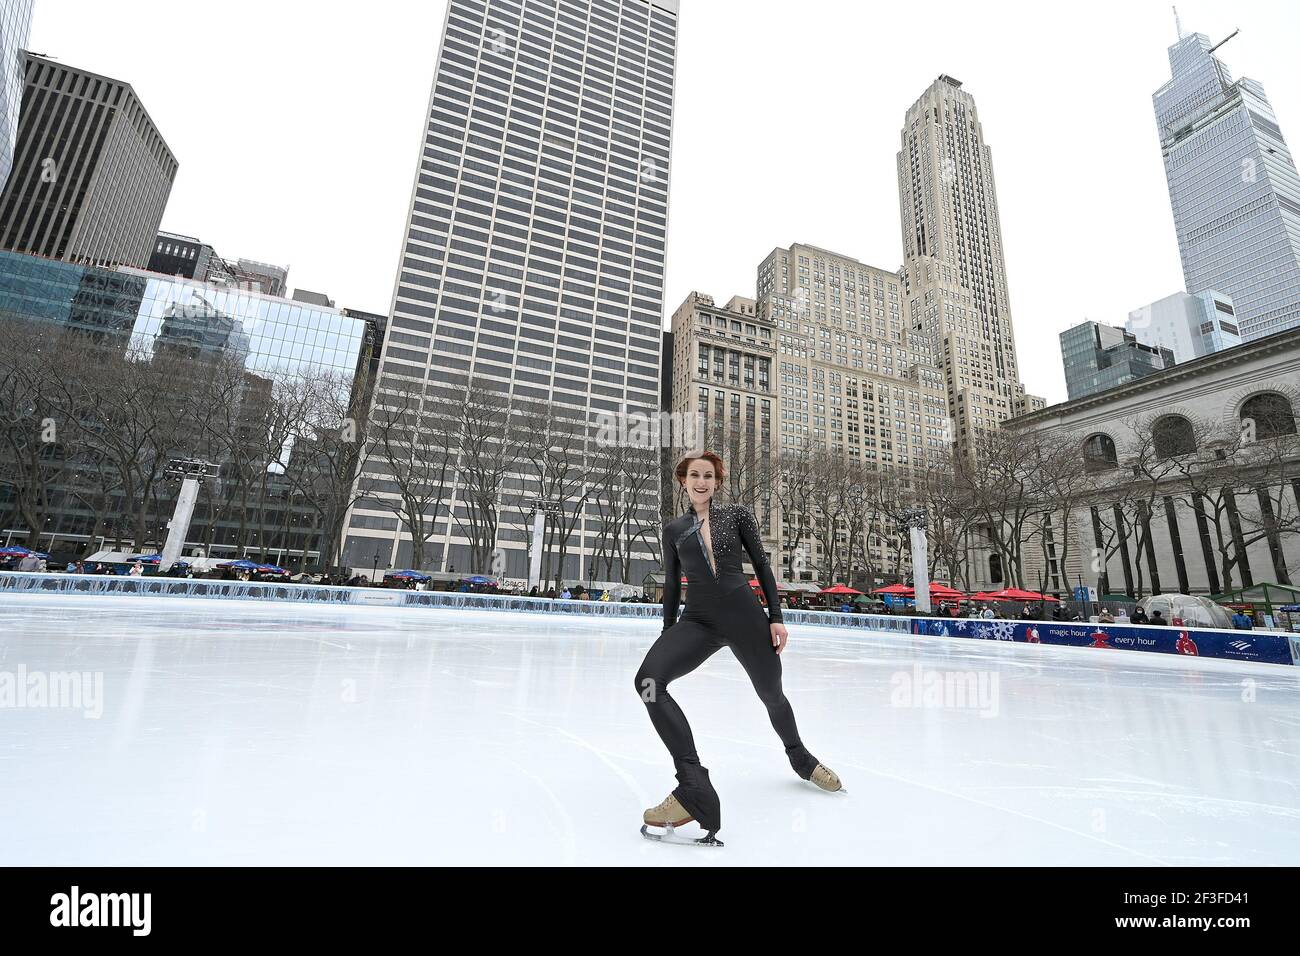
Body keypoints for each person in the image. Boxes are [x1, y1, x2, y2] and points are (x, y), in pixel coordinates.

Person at [636, 451, 842, 846]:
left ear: (717, 482)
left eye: (708, 476)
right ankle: (693, 785)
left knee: (771, 695)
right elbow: (674, 583)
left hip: (745, 617)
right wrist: (666, 630)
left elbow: (763, 566)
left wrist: (776, 616)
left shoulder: (737, 516)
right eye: (694, 475)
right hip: (698, 620)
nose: (701, 482)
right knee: (648, 681)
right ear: (683, 481)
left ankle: (800, 758)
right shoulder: (674, 528)